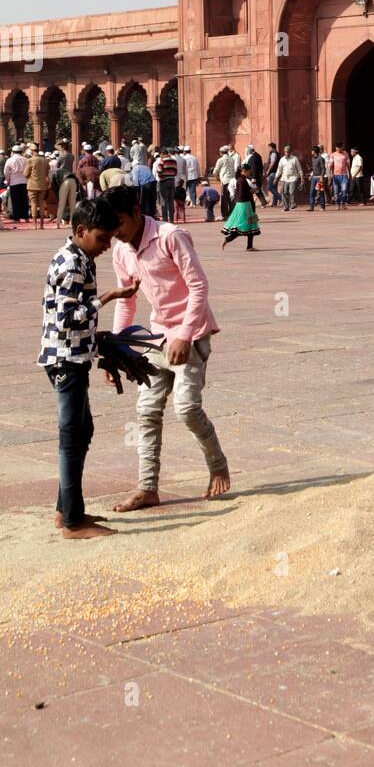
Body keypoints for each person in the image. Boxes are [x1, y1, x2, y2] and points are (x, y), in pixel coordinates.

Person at [102, 185, 231, 510]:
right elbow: (126, 302)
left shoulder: (170, 236)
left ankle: (217, 464)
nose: (116, 232)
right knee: (146, 411)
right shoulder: (121, 251)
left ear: (135, 212)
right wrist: (117, 349)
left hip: (192, 332)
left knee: (187, 409)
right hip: (157, 337)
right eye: (110, 227)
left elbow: (198, 285)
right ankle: (148, 487)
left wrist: (185, 335)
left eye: (119, 222)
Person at [39, 196, 139, 539]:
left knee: (82, 432)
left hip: (75, 356)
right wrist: (108, 298)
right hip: (65, 359)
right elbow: (67, 319)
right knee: (71, 437)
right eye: (102, 238)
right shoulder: (71, 265)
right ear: (81, 230)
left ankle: (66, 509)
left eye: (110, 239)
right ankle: (72, 523)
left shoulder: (81, 257)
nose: (106, 246)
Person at [221, 165, 260, 250]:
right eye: (249, 171)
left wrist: (251, 191)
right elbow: (241, 194)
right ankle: (228, 239)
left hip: (247, 204)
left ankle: (249, 246)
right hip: (244, 205)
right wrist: (251, 192)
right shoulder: (241, 180)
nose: (250, 173)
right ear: (244, 171)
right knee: (242, 226)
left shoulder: (243, 180)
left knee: (251, 225)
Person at [52, 139, 78, 229]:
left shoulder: (61, 156)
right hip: (71, 176)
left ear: (62, 147)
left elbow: (57, 167)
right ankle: (71, 220)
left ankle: (61, 220)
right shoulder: (72, 156)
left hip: (62, 177)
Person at [26, 149, 51, 229]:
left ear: (33, 151)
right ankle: (42, 224)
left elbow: (25, 173)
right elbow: (47, 173)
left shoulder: (30, 160)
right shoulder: (45, 161)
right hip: (42, 185)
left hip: (32, 185)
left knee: (33, 203)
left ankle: (34, 225)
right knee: (41, 204)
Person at [154, 147, 179, 222]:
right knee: (171, 201)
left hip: (164, 181)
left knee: (164, 201)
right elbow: (175, 172)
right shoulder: (174, 161)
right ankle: (171, 219)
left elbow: (159, 169)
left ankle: (165, 219)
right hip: (172, 181)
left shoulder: (162, 160)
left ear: (162, 154)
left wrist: (160, 174)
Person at [276, 145, 303, 211]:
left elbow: (299, 168)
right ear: (284, 152)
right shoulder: (282, 159)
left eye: (288, 152)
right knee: (284, 192)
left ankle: (293, 205)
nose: (287, 153)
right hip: (284, 178)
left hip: (293, 178)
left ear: (290, 152)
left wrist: (301, 177)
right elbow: (279, 169)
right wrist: (276, 177)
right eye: (285, 152)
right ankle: (286, 207)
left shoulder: (294, 159)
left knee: (291, 192)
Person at [329, 142, 351, 209]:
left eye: (340, 147)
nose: (338, 149)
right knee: (336, 191)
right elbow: (330, 165)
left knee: (344, 190)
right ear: (336, 148)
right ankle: (338, 204)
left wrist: (350, 174)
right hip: (335, 175)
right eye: (337, 147)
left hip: (344, 175)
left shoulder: (346, 154)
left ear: (342, 147)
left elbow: (348, 165)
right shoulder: (333, 155)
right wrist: (331, 174)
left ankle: (343, 203)